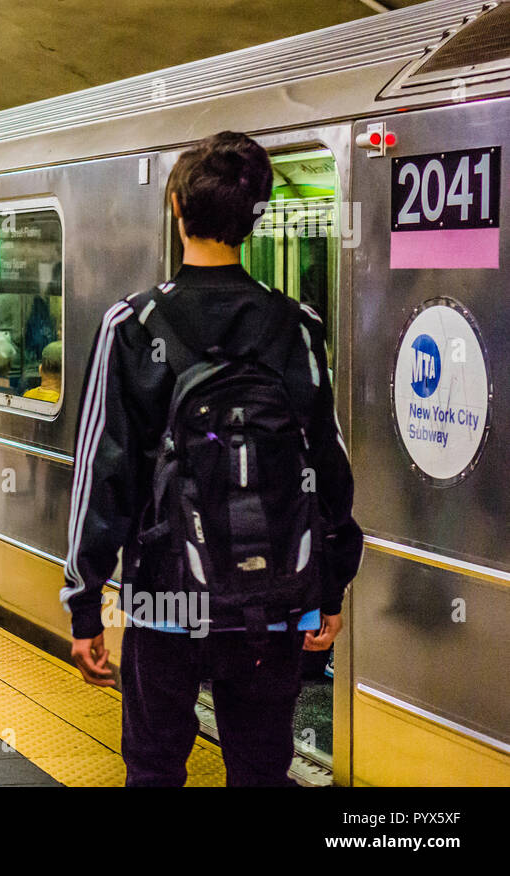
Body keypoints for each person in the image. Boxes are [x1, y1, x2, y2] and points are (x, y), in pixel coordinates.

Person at [62, 131, 362, 787]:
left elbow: (103, 479)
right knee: (259, 768)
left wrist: (86, 606)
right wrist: (330, 587)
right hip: (272, 599)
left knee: (155, 766)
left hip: (164, 599)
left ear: (176, 207)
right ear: (254, 220)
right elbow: (329, 468)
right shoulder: (298, 326)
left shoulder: (132, 326)